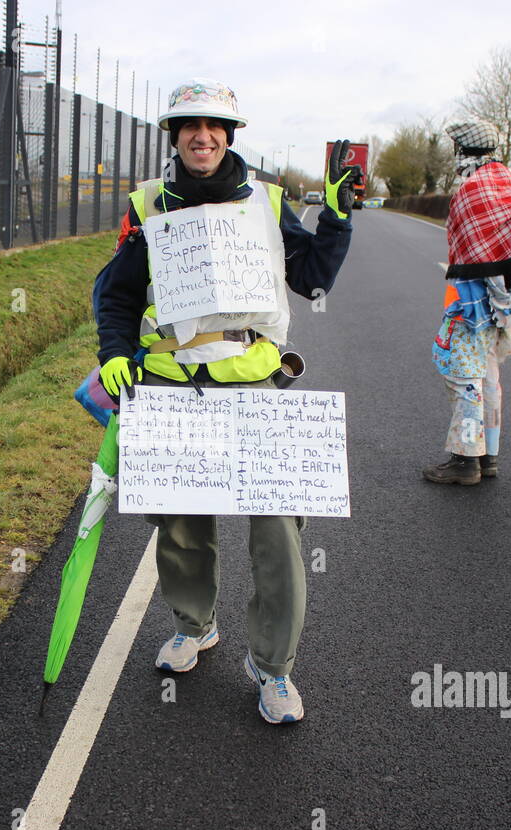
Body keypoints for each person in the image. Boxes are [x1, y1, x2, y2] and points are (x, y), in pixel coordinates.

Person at [91, 78, 355, 723]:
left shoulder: (266, 200)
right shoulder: (148, 203)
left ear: (230, 135)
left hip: (254, 388)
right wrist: (116, 352)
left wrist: (337, 221)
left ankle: (272, 668)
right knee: (179, 525)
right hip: (175, 388)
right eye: (189, 127)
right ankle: (194, 625)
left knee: (278, 534)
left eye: (213, 126)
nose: (201, 136)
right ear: (175, 136)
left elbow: (312, 276)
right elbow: (118, 293)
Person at [423, 118, 511, 485]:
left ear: (462, 151)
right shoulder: (510, 183)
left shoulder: (473, 189)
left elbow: (471, 253)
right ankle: (488, 457)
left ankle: (465, 461)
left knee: (464, 378)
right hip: (506, 303)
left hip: (473, 305)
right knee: (490, 378)